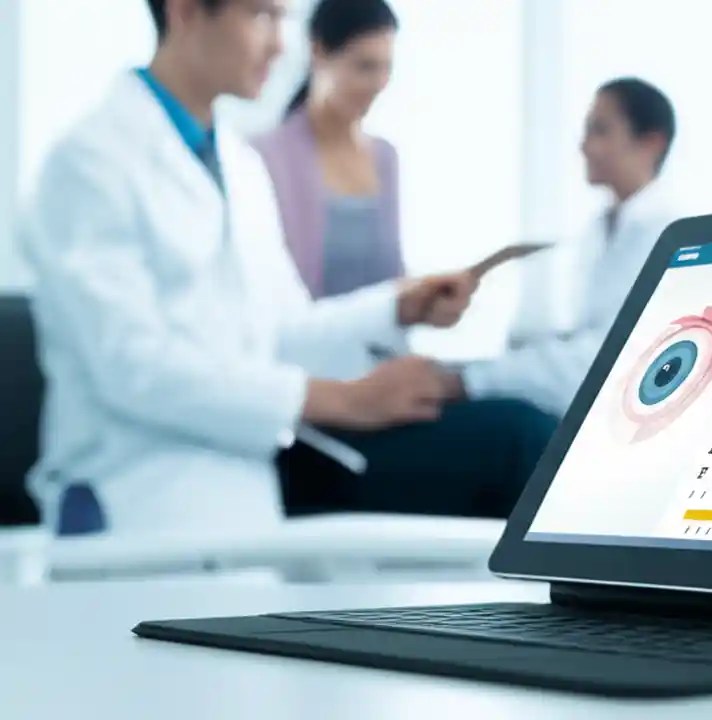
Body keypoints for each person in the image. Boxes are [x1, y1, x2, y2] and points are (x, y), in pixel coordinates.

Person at [19, 0, 556, 537]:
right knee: (507, 444)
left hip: (245, 473)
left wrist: (395, 307)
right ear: (186, 11)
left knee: (516, 435)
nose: (280, 45)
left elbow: (283, 329)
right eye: (261, 16)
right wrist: (345, 400)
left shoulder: (239, 164)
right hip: (139, 489)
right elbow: (134, 367)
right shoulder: (90, 162)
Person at [434, 77, 680, 417]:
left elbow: (609, 357)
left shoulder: (665, 233)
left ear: (651, 142)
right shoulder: (596, 231)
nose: (584, 146)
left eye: (600, 130)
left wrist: (467, 380)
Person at [254, 0, 402, 300]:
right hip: (302, 330)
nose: (378, 83)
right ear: (318, 52)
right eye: (365, 66)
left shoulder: (385, 157)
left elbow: (392, 278)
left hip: (386, 331)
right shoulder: (265, 158)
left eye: (386, 67)